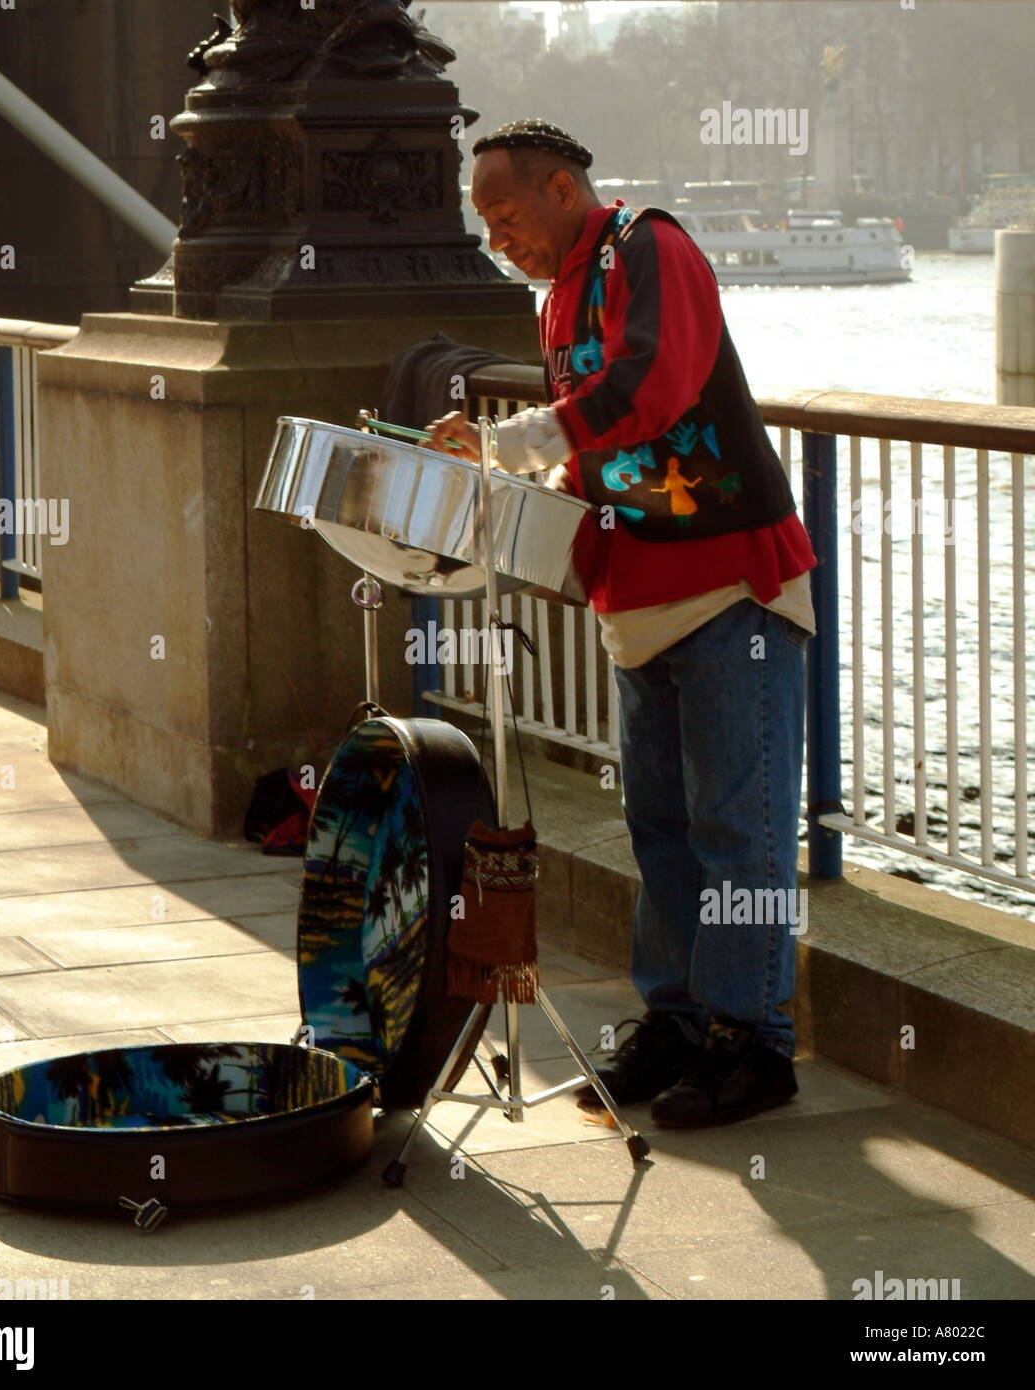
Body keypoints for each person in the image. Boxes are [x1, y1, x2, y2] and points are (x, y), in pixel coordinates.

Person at [426, 119, 817, 1129]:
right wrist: (521, 470)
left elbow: (653, 386)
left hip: (733, 588)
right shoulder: (558, 296)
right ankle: (681, 1020)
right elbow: (603, 444)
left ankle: (754, 1042)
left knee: (743, 831)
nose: (497, 239)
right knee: (663, 827)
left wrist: (513, 443)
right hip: (638, 601)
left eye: (506, 216)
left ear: (564, 189)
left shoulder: (649, 244)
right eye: (486, 226)